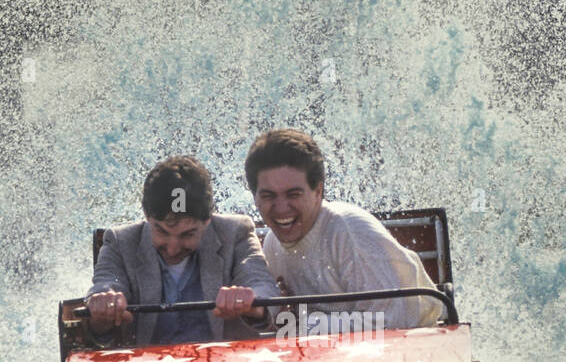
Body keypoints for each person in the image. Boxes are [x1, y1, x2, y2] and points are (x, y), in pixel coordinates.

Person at [244, 128, 442, 334]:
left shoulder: (351, 232)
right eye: (268, 196)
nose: (281, 207)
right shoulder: (271, 245)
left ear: (318, 191)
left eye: (293, 194)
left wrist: (301, 324)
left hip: (413, 349)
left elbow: (391, 321)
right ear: (255, 198)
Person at [87, 155, 280, 346]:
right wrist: (104, 305)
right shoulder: (120, 242)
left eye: (187, 235)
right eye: (161, 231)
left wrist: (251, 300)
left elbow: (261, 284)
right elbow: (106, 284)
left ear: (207, 220)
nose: (172, 248)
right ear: (146, 216)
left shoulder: (235, 232)